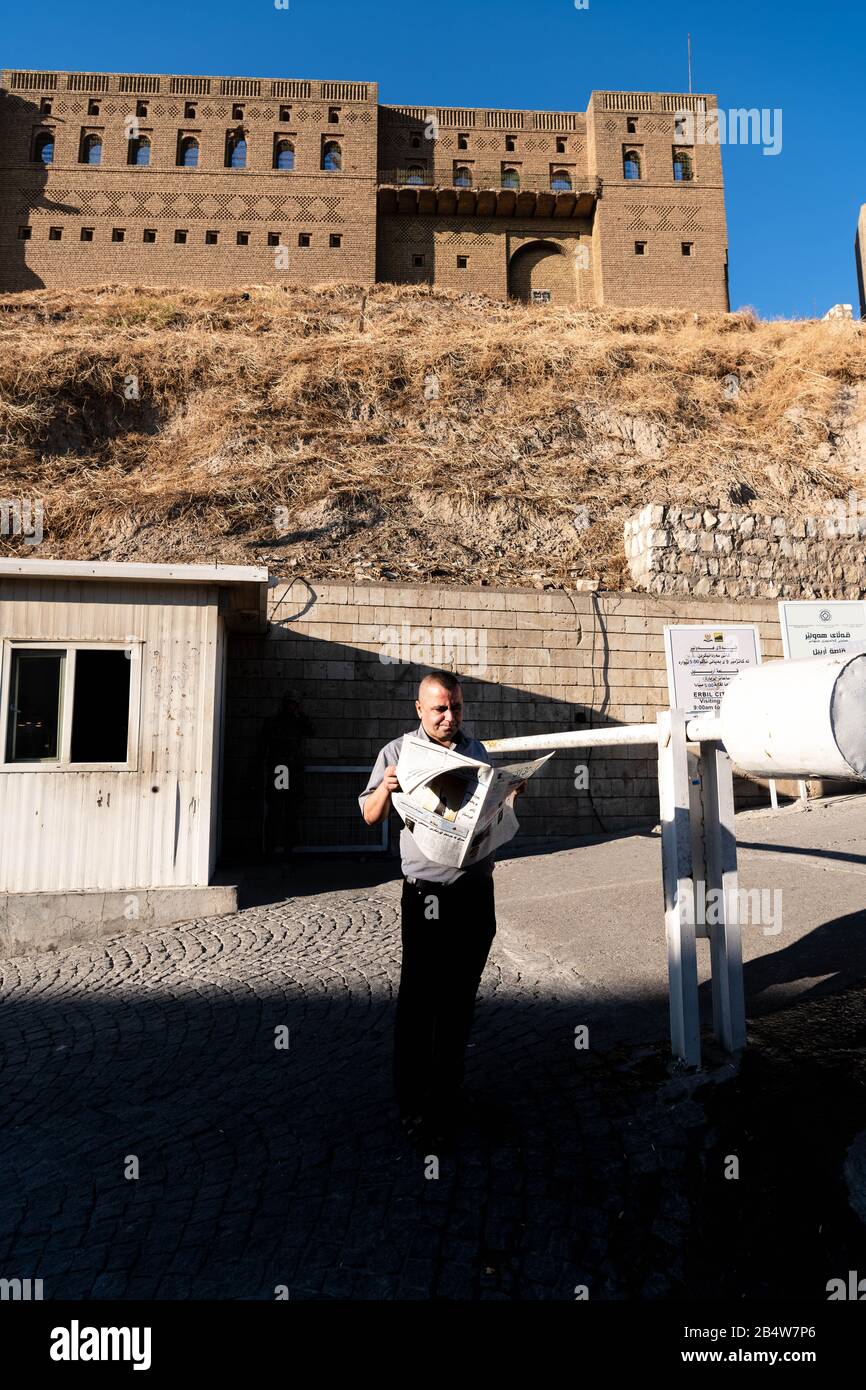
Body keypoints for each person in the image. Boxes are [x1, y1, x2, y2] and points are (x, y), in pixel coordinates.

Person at [359, 670, 521, 1149]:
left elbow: (489, 817)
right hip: (427, 894)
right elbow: (369, 816)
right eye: (439, 709)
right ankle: (412, 1104)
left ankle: (447, 1095)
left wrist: (507, 798)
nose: (449, 717)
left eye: (455, 708)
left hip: (475, 889)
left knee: (459, 1000)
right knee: (419, 1002)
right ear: (419, 709)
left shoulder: (476, 751)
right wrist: (387, 788)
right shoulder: (397, 752)